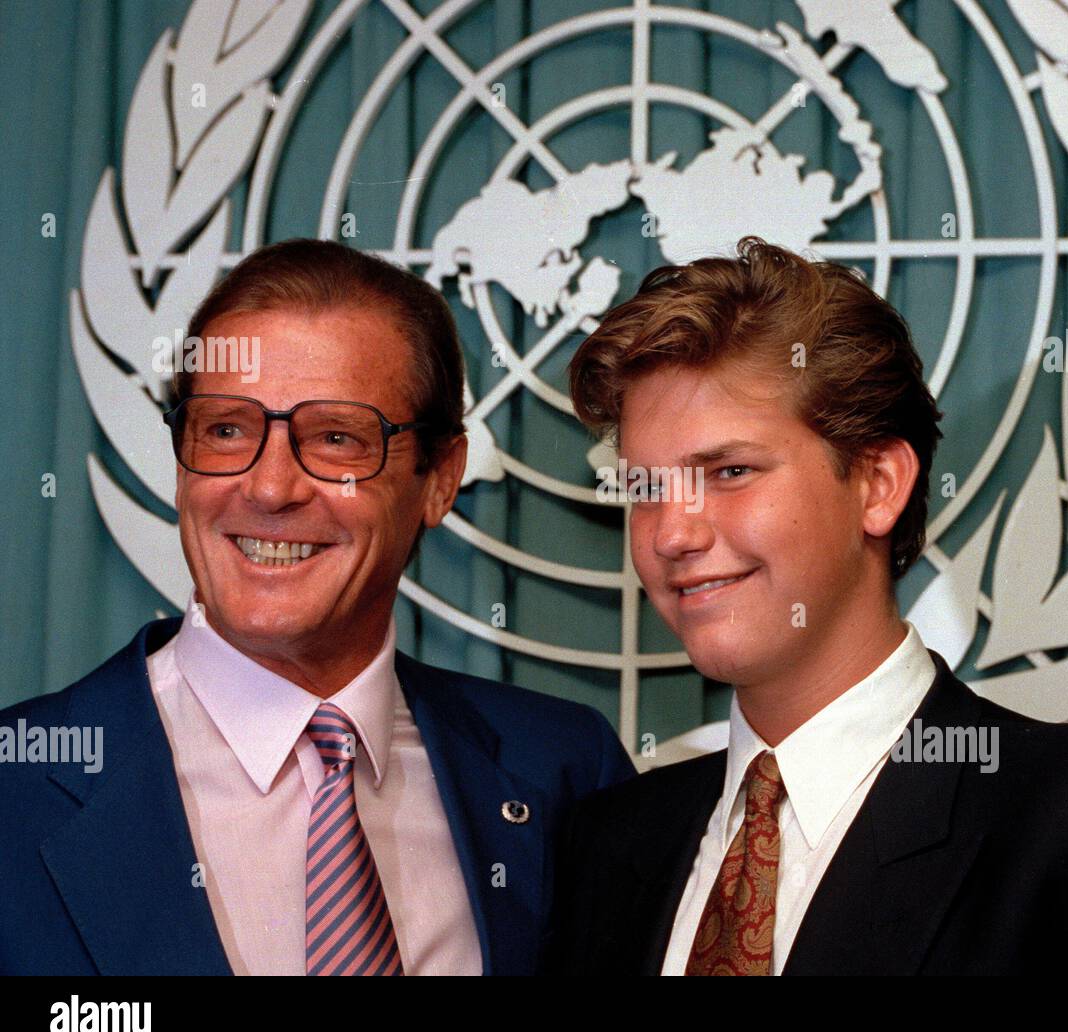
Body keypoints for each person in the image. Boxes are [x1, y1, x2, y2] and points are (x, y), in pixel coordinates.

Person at [551, 235, 1068, 976]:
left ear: (878, 484)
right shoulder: (607, 845)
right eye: (645, 488)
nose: (673, 532)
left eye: (732, 470)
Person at [0, 239, 632, 975]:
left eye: (336, 438)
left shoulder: (563, 773)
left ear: (439, 478)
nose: (270, 488)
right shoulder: (18, 787)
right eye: (227, 429)